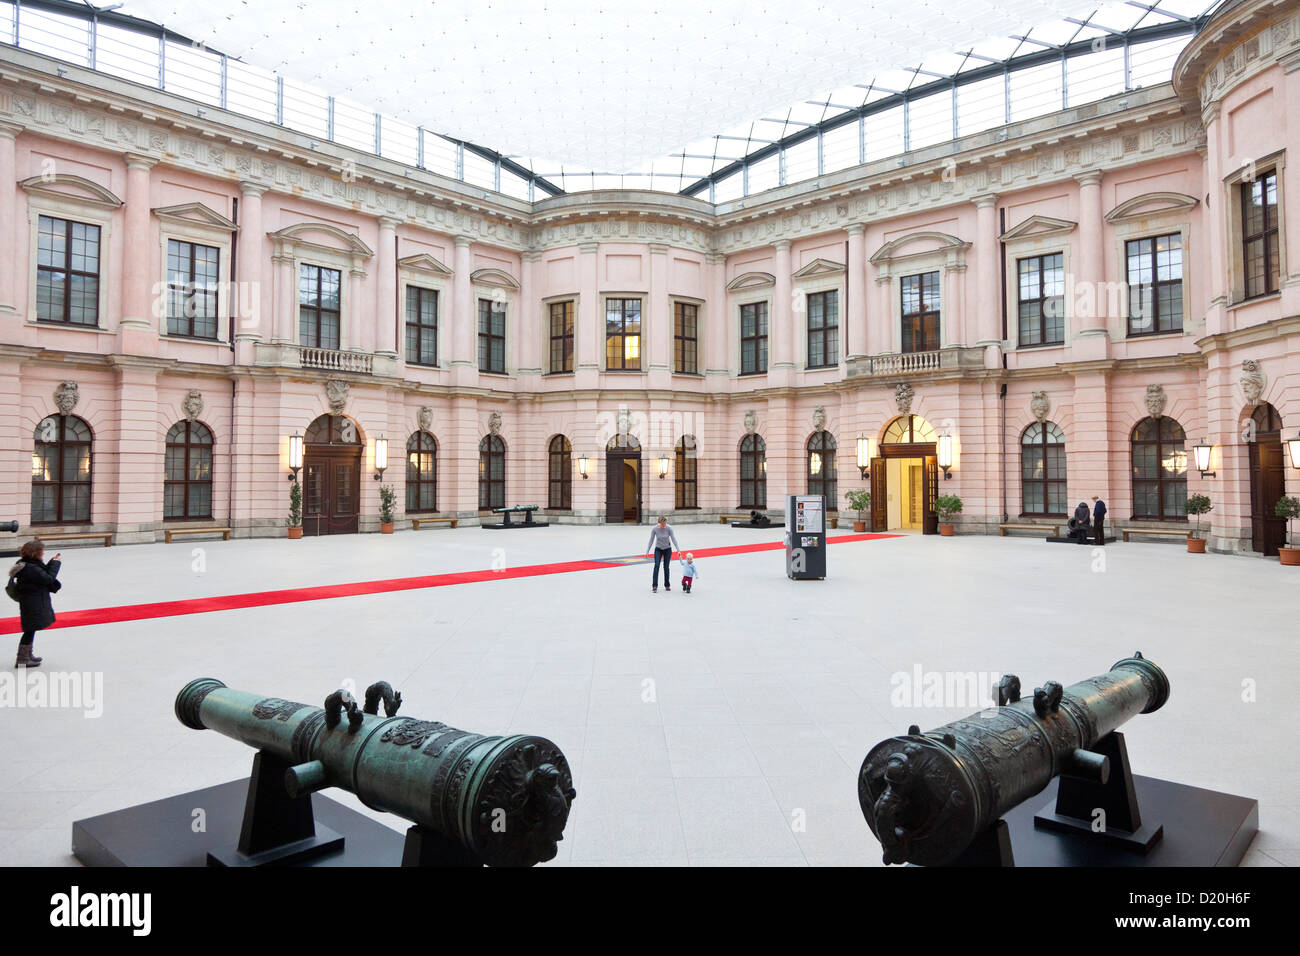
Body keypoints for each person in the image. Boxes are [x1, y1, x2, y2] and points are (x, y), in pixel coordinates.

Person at [8, 539, 62, 668]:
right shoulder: (31, 568)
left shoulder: (27, 564)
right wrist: (56, 564)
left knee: (31, 629)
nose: (42, 554)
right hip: (33, 603)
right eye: (41, 552)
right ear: (35, 553)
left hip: (31, 601)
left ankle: (27, 655)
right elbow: (48, 579)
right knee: (29, 629)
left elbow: (42, 574)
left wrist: (51, 562)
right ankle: (22, 660)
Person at [645, 516, 680, 593]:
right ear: (659, 523)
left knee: (666, 567)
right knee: (656, 565)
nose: (664, 525)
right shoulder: (655, 529)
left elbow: (674, 539)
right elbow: (651, 540)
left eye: (665, 523)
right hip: (658, 549)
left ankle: (667, 585)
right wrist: (647, 551)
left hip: (667, 549)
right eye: (663, 524)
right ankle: (654, 585)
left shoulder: (669, 528)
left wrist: (678, 550)